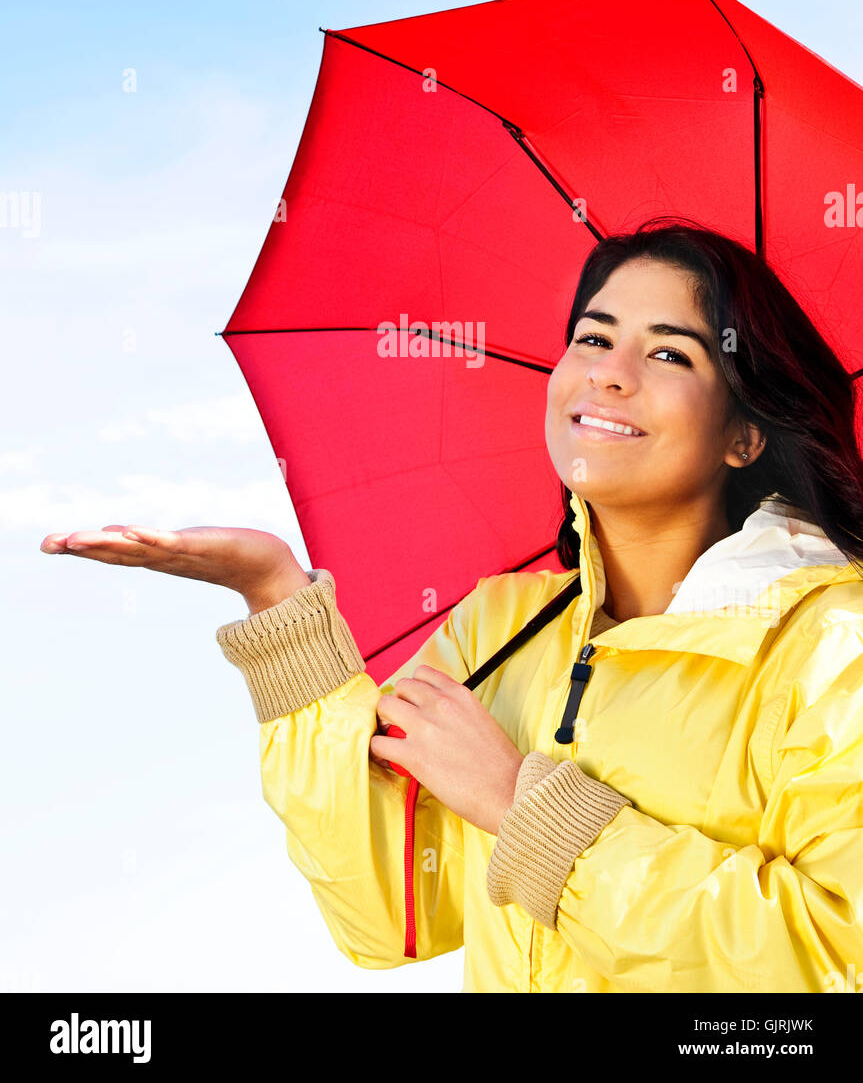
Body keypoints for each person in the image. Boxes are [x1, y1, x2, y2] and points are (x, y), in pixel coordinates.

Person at [41, 219, 863, 993]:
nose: (610, 372)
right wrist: (277, 601)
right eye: (593, 337)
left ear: (744, 436)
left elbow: (829, 961)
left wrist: (522, 809)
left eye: (671, 356)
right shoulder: (499, 626)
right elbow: (388, 912)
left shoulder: (832, 645)